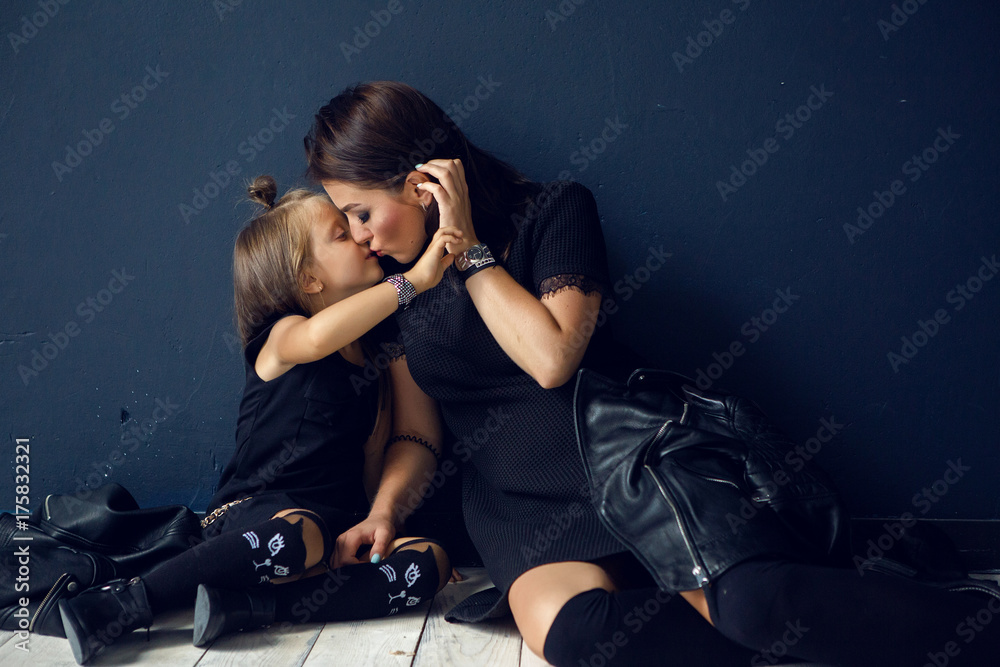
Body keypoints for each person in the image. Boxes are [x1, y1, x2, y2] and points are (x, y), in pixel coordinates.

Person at [302, 80, 1000, 666]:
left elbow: (552, 358)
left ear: (423, 180)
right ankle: (804, 615)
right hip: (520, 509)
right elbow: (418, 435)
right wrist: (385, 511)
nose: (360, 237)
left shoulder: (553, 211)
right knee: (580, 634)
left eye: (361, 212)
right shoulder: (398, 291)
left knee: (753, 605)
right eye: (347, 220)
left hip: (631, 470)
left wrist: (471, 251)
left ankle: (967, 624)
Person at [57, 176, 461, 665]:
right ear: (309, 280)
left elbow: (378, 450)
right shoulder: (285, 336)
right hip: (257, 514)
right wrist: (415, 280)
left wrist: (378, 520)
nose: (359, 235)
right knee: (297, 535)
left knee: (430, 562)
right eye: (340, 233)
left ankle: (253, 607)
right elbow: (318, 338)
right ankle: (124, 603)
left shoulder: (380, 352)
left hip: (333, 523)